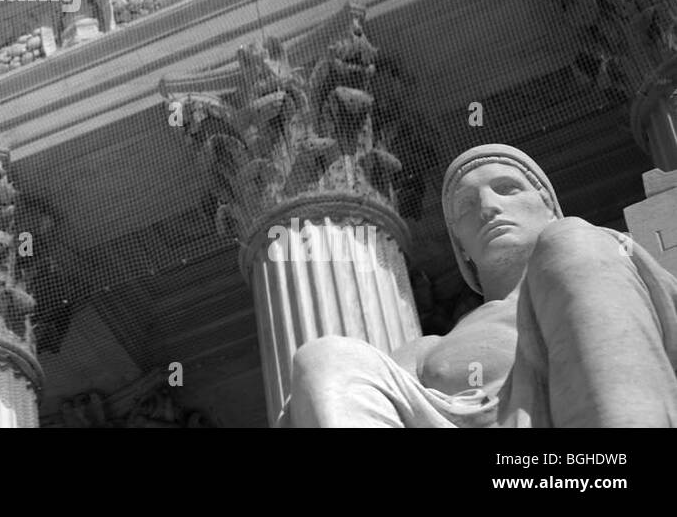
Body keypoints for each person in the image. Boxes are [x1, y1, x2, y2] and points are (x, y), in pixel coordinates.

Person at [286, 143, 677, 427]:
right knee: (324, 357)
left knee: (572, 242)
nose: (488, 207)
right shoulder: (427, 350)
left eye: (507, 188)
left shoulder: (603, 257)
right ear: (462, 249)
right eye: (467, 207)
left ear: (550, 207)